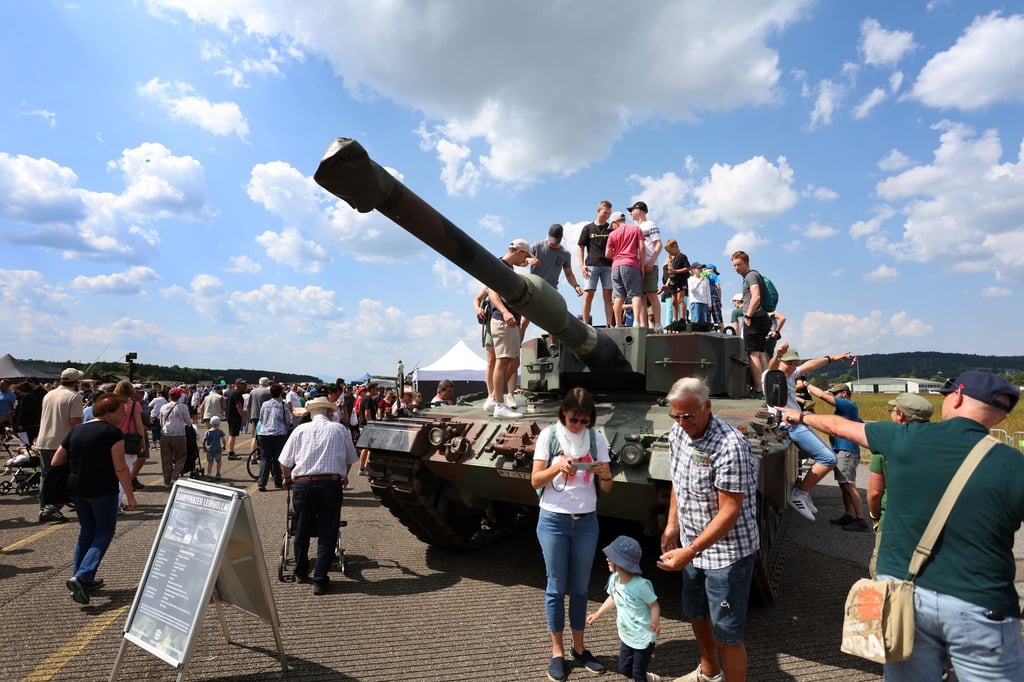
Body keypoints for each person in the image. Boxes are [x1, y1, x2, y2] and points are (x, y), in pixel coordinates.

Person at [781, 371, 1023, 681]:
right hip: (980, 603)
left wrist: (800, 416)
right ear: (1002, 417)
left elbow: (840, 426)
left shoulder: (903, 437)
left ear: (958, 397)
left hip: (902, 596)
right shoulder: (1014, 464)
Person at [658, 377, 759, 682]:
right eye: (676, 415)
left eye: (688, 415)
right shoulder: (678, 432)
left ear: (708, 406)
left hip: (727, 554)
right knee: (696, 613)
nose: (682, 422)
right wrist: (672, 525)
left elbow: (730, 510)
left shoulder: (730, 445)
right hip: (692, 545)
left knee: (727, 632)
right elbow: (678, 480)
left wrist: (689, 551)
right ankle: (709, 672)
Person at [530, 388, 614, 681]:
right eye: (573, 419)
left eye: (583, 420)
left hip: (586, 522)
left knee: (580, 588)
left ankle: (579, 648)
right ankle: (557, 652)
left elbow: (607, 488)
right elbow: (535, 480)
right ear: (563, 413)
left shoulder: (596, 438)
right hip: (553, 520)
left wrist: (604, 473)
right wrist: (557, 467)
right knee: (556, 587)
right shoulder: (548, 436)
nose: (578, 425)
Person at [51, 393, 137, 605]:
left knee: (87, 531)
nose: (123, 416)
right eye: (121, 412)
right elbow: (120, 467)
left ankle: (81, 577)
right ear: (108, 412)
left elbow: (56, 460)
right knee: (104, 532)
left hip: (77, 488)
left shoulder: (77, 430)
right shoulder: (113, 433)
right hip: (102, 489)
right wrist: (130, 496)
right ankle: (82, 576)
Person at [278, 396, 359, 595]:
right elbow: (350, 458)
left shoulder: (300, 430)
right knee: (328, 530)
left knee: (301, 528)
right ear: (329, 413)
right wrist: (344, 476)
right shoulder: (339, 429)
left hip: (303, 484)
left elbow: (285, 462)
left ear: (311, 414)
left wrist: (287, 478)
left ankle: (300, 571)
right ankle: (320, 579)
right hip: (330, 483)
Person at [767, 343, 850, 521]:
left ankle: (803, 493)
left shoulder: (791, 375)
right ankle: (800, 494)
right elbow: (771, 369)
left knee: (824, 458)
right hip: (789, 424)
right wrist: (776, 355)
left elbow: (810, 365)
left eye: (795, 363)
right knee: (829, 459)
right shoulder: (773, 376)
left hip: (797, 422)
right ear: (780, 361)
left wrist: (831, 358)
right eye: (788, 363)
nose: (792, 367)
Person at [867, 392, 933, 578]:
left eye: (893, 411)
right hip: (929, 521)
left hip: (892, 519)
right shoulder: (940, 445)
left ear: (900, 416)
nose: (891, 414)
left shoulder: (884, 447)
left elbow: (874, 492)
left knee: (883, 572)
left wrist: (874, 517)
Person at [586, 536, 662, 682]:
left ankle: (644, 677)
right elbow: (613, 597)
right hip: (627, 635)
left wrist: (654, 622)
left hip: (643, 637)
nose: (607, 559)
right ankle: (647, 677)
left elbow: (654, 605)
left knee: (638, 674)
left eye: (612, 557)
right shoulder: (614, 579)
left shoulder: (641, 586)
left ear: (622, 563)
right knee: (624, 669)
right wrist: (597, 614)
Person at [803, 383, 870, 532]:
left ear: (844, 393)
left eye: (835, 394)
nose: (833, 396)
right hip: (842, 451)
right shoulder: (844, 412)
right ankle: (848, 514)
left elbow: (822, 395)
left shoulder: (848, 406)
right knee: (844, 485)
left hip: (846, 451)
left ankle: (861, 519)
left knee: (849, 485)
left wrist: (807, 384)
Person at [487, 239, 534, 418]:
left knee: (514, 362)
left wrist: (529, 261)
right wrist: (505, 312)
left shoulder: (508, 268)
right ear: (519, 251)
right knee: (503, 361)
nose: (525, 260)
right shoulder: (500, 266)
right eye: (525, 256)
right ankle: (499, 405)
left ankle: (494, 397)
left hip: (511, 321)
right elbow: (492, 292)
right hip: (503, 319)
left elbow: (521, 263)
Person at [36, 367, 85, 523]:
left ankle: (44, 508)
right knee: (65, 476)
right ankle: (51, 508)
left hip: (45, 440)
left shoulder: (49, 394)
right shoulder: (74, 396)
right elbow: (74, 422)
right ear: (76, 381)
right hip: (62, 442)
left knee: (46, 476)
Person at [730, 251, 770, 398]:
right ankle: (767, 387)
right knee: (760, 354)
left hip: (754, 318)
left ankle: (758, 389)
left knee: (753, 354)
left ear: (747, 262)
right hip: (762, 318)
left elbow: (756, 296)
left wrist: (748, 315)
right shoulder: (754, 275)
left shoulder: (750, 276)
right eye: (734, 265)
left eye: (739, 264)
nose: (736, 268)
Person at [605, 211, 646, 328]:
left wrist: (617, 256)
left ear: (615, 222)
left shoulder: (612, 235)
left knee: (618, 296)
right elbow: (642, 248)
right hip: (631, 264)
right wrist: (642, 265)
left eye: (612, 225)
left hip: (616, 267)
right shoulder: (636, 229)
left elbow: (607, 254)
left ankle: (618, 324)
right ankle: (636, 322)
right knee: (635, 294)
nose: (612, 227)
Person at [577, 200, 615, 326]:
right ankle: (585, 324)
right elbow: (581, 247)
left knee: (608, 296)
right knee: (588, 294)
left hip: (608, 266)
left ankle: (609, 323)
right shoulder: (588, 228)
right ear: (598, 211)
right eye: (605, 212)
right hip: (591, 265)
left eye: (609, 213)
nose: (606, 215)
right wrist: (581, 265)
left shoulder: (611, 229)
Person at [627, 201, 663, 330]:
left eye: (632, 210)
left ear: (639, 210)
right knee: (640, 296)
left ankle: (657, 324)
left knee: (652, 293)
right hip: (637, 265)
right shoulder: (634, 227)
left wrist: (651, 262)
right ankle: (643, 325)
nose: (630, 213)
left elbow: (658, 244)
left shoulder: (650, 224)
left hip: (649, 264)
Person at [113, 380, 147, 507]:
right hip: (129, 441)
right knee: (125, 472)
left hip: (113, 439)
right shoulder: (134, 405)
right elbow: (139, 425)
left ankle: (112, 500)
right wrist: (142, 441)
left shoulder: (113, 403)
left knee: (113, 471)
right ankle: (117, 501)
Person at [258, 383, 292, 491]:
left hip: (264, 433)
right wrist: (286, 429)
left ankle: (262, 483)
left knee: (265, 458)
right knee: (278, 458)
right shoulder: (283, 404)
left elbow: (261, 418)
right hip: (279, 434)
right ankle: (278, 481)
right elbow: (287, 419)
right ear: (280, 393)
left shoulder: (265, 404)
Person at [159, 387, 193, 488]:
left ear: (169, 395)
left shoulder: (163, 407)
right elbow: (188, 422)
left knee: (166, 458)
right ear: (179, 396)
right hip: (179, 434)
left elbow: (161, 422)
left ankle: (166, 482)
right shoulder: (183, 407)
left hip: (166, 434)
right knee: (181, 457)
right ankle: (174, 476)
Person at [224, 379, 247, 459]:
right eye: (242, 384)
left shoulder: (229, 392)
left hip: (230, 415)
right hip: (234, 416)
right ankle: (231, 453)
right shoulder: (237, 393)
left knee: (232, 434)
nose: (244, 385)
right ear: (237, 384)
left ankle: (231, 451)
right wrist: (243, 417)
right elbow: (238, 406)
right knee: (233, 435)